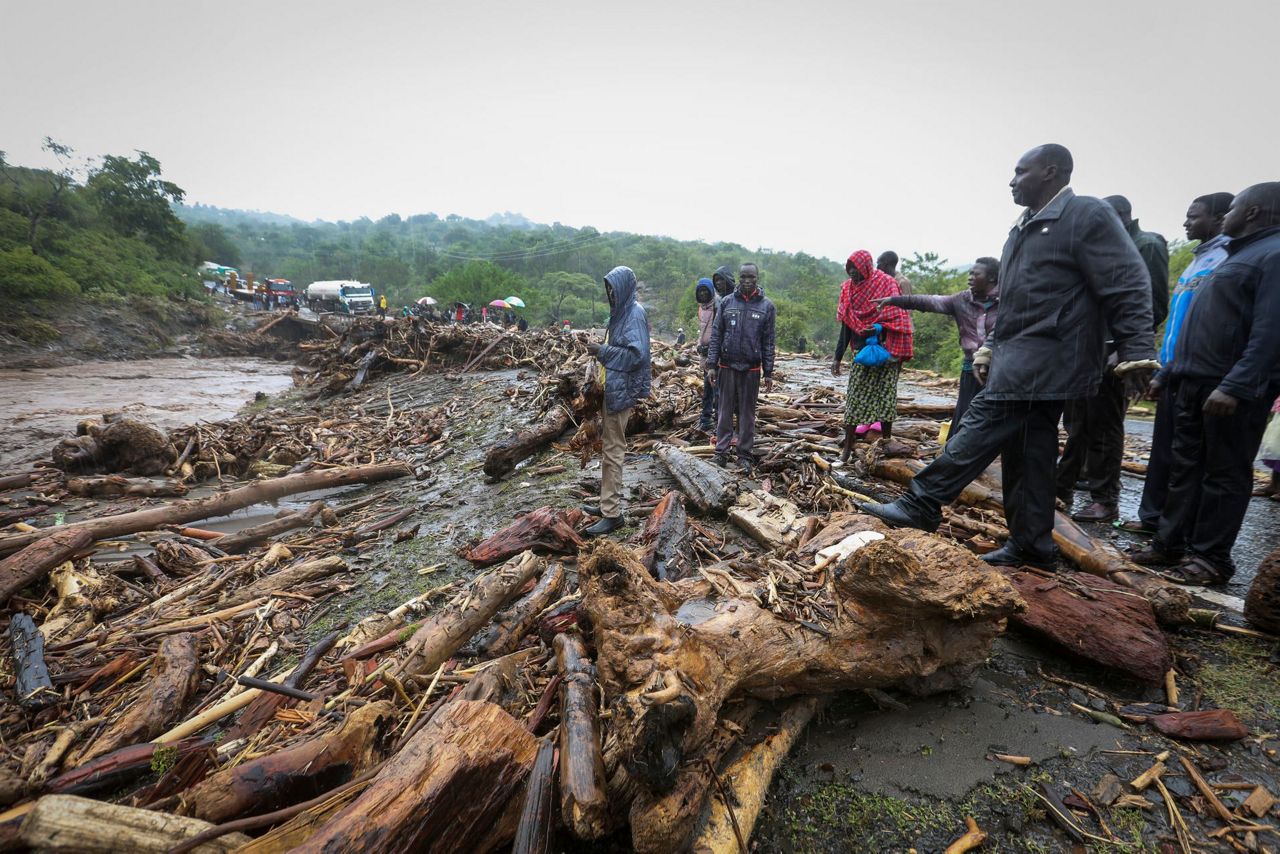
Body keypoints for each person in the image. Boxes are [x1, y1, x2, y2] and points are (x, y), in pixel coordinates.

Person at [861, 144, 1157, 570]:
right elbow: (1016, 304)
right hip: (1021, 352)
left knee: (980, 425)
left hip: (1049, 356)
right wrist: (990, 347)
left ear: (1051, 172)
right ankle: (1032, 545)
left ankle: (921, 503)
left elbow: (1127, 283)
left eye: (1021, 172)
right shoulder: (1023, 229)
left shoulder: (1085, 216)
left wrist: (1137, 352)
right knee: (1029, 453)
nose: (1012, 180)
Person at [1132, 182, 1280, 585]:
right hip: (1192, 380)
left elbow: (1271, 332)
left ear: (1252, 212)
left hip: (1228, 388)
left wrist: (1236, 385)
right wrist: (1168, 371)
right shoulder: (1237, 255)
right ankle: (1170, 543)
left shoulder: (1274, 255)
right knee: (1186, 469)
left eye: (1232, 208)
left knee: (1224, 473)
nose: (1226, 215)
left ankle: (1211, 559)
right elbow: (1201, 327)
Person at [1119, 193, 1235, 535]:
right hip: (1175, 367)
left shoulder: (1229, 258)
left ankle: (1183, 536)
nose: (1186, 222)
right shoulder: (1197, 259)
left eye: (1194, 216)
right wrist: (1163, 368)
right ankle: (1153, 519)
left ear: (1219, 218)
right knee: (1165, 452)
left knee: (1196, 460)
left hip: (1207, 370)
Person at [1056, 196, 1168, 522]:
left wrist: (1128, 348)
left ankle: (1105, 500)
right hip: (1086, 349)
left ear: (1116, 216)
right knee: (1076, 423)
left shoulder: (1146, 245)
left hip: (1113, 352)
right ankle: (1062, 488)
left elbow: (1151, 304)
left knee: (1104, 426)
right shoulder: (1104, 247)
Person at [877, 257, 999, 436]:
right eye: (970, 273)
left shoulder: (1008, 302)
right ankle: (955, 456)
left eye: (976, 274)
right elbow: (928, 301)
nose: (970, 277)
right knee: (965, 415)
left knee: (997, 417)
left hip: (1001, 369)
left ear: (992, 278)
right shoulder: (961, 300)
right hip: (971, 368)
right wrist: (894, 300)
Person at [583, 266, 652, 536]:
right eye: (608, 289)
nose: (610, 294)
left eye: (614, 289)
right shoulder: (620, 312)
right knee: (609, 447)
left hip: (621, 390)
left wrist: (602, 351)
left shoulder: (634, 314)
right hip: (612, 387)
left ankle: (612, 514)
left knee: (613, 450)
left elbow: (638, 356)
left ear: (624, 288)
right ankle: (605, 504)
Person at [832, 251, 914, 464]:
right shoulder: (848, 289)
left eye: (856, 268)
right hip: (861, 354)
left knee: (886, 399)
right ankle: (847, 448)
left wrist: (878, 327)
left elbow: (898, 317)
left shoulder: (886, 284)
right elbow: (846, 327)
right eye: (849, 268)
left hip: (886, 353)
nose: (852, 273)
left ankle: (886, 444)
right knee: (854, 400)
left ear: (866, 267)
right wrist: (837, 358)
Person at [707, 263, 776, 474]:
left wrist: (769, 371)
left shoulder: (767, 306)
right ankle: (721, 453)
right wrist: (711, 364)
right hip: (727, 365)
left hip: (752, 369)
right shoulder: (727, 303)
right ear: (739, 278)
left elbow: (768, 341)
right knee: (724, 412)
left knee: (747, 414)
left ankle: (744, 455)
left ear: (757, 278)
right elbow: (717, 334)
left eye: (751, 277)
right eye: (744, 277)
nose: (747, 281)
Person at [694, 277, 718, 432]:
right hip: (704, 354)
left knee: (716, 388)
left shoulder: (718, 306)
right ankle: (706, 418)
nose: (703, 294)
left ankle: (717, 418)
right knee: (707, 389)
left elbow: (718, 333)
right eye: (700, 291)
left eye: (705, 291)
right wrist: (698, 345)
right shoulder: (701, 308)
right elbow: (702, 330)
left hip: (715, 355)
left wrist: (712, 351)